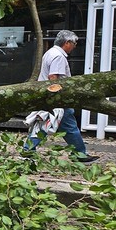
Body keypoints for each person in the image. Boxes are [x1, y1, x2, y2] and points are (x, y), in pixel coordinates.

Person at [22, 30, 98, 163]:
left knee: (44, 125)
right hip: (58, 99)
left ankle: (28, 150)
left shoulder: (50, 53)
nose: (75, 46)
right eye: (74, 43)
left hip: (49, 98)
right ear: (67, 42)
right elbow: (53, 77)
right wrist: (59, 97)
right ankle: (79, 154)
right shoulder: (58, 56)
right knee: (68, 127)